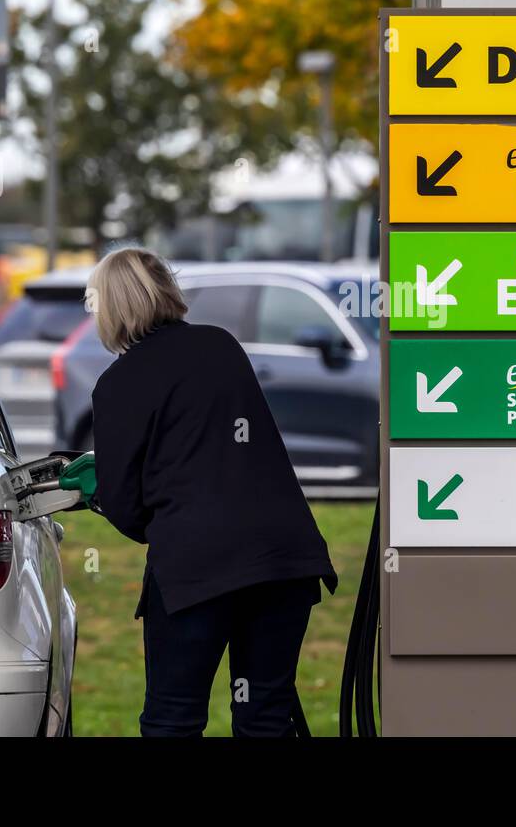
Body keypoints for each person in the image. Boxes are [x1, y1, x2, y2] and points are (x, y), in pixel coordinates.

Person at [86, 247, 338, 737]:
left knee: (173, 720)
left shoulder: (118, 383)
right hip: (283, 559)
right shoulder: (221, 346)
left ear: (111, 307)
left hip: (196, 569)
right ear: (166, 290)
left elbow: (123, 504)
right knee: (266, 715)